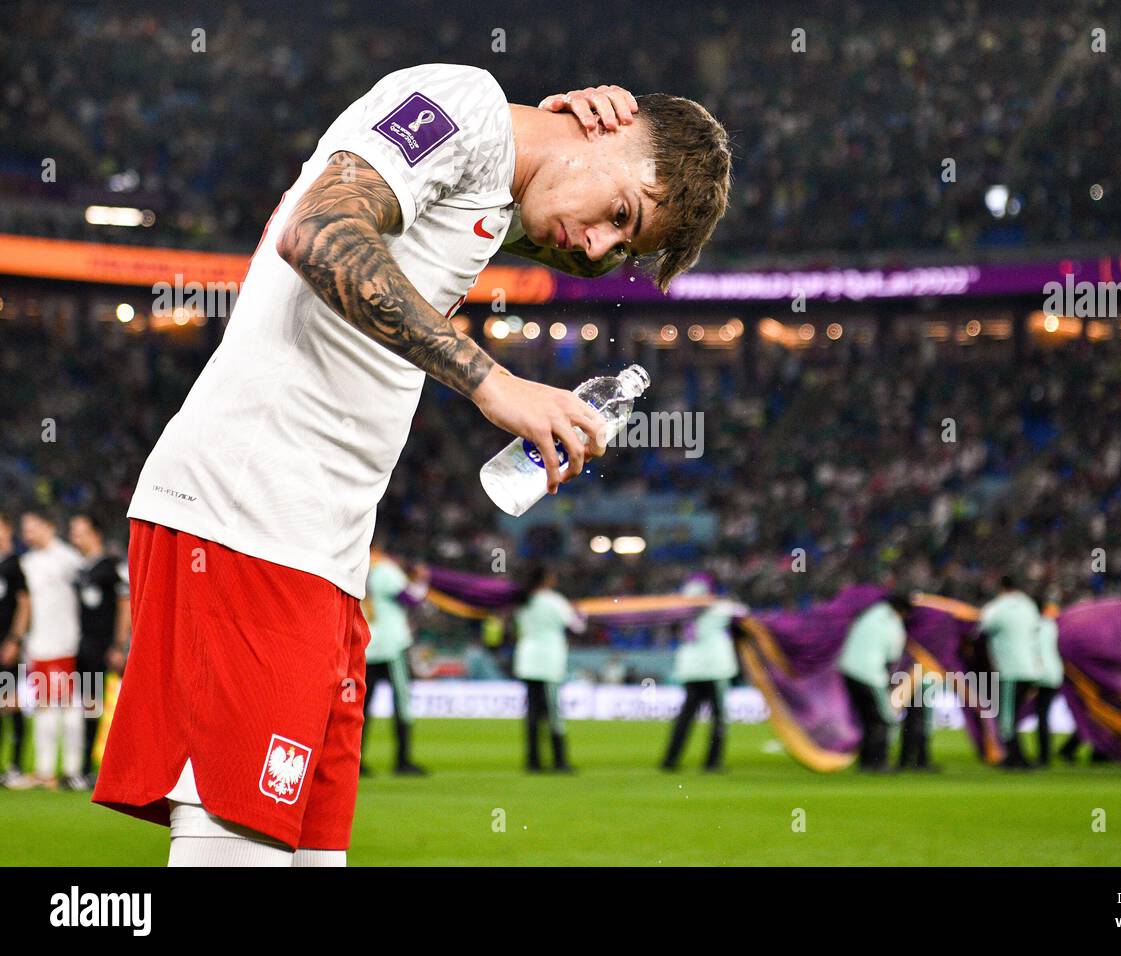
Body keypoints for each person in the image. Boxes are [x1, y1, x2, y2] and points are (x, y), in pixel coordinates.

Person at [91, 69, 730, 867]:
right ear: (606, 128)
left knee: (313, 861)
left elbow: (540, 185)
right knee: (235, 852)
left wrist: (565, 124)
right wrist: (493, 383)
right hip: (242, 517)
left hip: (324, 555)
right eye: (621, 216)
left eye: (620, 249)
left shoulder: (500, 192)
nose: (596, 248)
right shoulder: (461, 99)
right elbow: (319, 233)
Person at [16, 511, 85, 790]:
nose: (27, 533)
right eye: (25, 529)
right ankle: (45, 771)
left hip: (64, 643)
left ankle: (71, 769)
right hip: (38, 645)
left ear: (49, 527)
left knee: (68, 705)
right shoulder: (27, 563)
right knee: (44, 708)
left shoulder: (69, 560)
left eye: (32, 528)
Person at [661, 574, 745, 772]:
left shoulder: (680, 612)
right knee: (718, 717)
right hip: (715, 669)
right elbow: (743, 614)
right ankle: (712, 762)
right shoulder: (721, 609)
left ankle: (670, 759)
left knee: (686, 716)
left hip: (690, 669)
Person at [68, 512, 130, 783]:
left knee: (114, 709)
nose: (75, 536)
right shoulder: (82, 568)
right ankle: (87, 769)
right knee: (90, 707)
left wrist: (119, 644)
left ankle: (112, 769)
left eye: (79, 531)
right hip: (87, 646)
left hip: (106, 647)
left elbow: (125, 604)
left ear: (95, 534)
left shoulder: (111, 566)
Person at [360, 540, 427, 776]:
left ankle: (354, 762)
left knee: (361, 708)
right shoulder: (385, 569)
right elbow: (411, 599)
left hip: (367, 645)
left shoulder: (357, 565)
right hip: (391, 645)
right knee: (402, 703)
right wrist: (420, 580)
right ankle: (403, 760)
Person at [514, 564, 585, 773]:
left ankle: (533, 761)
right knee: (553, 712)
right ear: (546, 579)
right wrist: (579, 612)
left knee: (533, 713)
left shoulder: (523, 600)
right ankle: (559, 760)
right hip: (548, 661)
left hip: (527, 659)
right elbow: (577, 625)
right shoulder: (555, 601)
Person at [838, 596, 909, 772]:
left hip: (847, 670)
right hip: (870, 674)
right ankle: (878, 762)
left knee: (865, 718)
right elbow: (892, 659)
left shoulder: (868, 614)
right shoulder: (894, 625)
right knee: (883, 718)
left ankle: (865, 761)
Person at [979, 576, 1042, 769]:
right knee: (1014, 715)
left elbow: (982, 628)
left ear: (1002, 587)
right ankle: (1017, 757)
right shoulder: (1029, 605)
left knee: (1006, 718)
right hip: (1030, 670)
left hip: (1010, 670)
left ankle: (1015, 759)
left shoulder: (997, 607)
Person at [0, 513, 31, 786]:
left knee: (11, 704)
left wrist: (14, 639)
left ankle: (16, 765)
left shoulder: (13, 565)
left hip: (7, 647)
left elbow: (24, 603)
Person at [1034, 595, 1064, 767]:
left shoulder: (1034, 626)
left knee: (1042, 715)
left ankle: (1043, 756)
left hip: (1040, 673)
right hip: (1055, 672)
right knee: (1044, 714)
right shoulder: (1052, 625)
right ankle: (1046, 753)